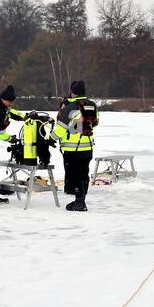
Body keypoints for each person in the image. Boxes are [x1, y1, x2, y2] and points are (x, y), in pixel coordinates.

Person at [53, 80, 99, 212]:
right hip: (87, 147)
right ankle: (81, 199)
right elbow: (95, 122)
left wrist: (51, 138)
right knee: (83, 174)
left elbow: (61, 129)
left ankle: (79, 203)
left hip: (73, 148)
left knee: (75, 175)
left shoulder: (71, 106)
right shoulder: (92, 105)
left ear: (73, 92)